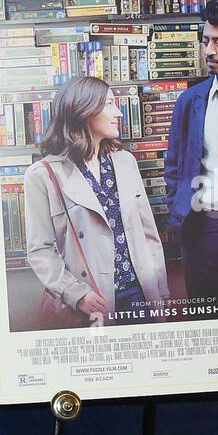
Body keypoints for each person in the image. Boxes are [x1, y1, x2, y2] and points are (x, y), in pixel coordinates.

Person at [23, 75, 169, 327]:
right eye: (110, 104)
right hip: (93, 299)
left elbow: (149, 236)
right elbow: (40, 250)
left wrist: (162, 292)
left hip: (141, 294)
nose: (119, 113)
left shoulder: (126, 162)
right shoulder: (43, 175)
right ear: (84, 110)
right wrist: (77, 294)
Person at [163, 0, 218, 315]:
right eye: (205, 40)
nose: (209, 50)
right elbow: (174, 164)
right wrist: (178, 212)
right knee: (210, 323)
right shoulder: (190, 101)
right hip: (203, 233)